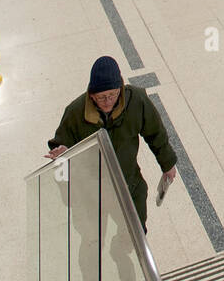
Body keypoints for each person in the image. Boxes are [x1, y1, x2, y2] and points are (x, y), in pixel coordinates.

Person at [46, 55, 178, 230]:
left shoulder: (136, 101)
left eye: (113, 95)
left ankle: (124, 252)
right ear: (91, 95)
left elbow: (155, 132)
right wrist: (62, 156)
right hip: (92, 194)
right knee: (91, 240)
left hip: (128, 184)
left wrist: (167, 163)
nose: (108, 101)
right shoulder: (75, 113)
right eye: (102, 97)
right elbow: (60, 149)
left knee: (136, 230)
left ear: (121, 89)